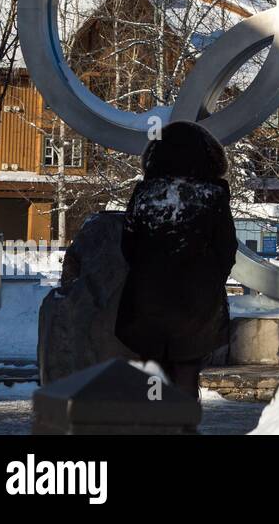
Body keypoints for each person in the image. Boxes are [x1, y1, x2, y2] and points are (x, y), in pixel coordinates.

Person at [115, 121, 237, 398]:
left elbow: (129, 244)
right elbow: (226, 248)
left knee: (153, 371)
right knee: (187, 371)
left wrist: (145, 274)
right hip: (197, 302)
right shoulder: (213, 195)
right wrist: (210, 281)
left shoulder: (145, 193)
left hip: (148, 298)